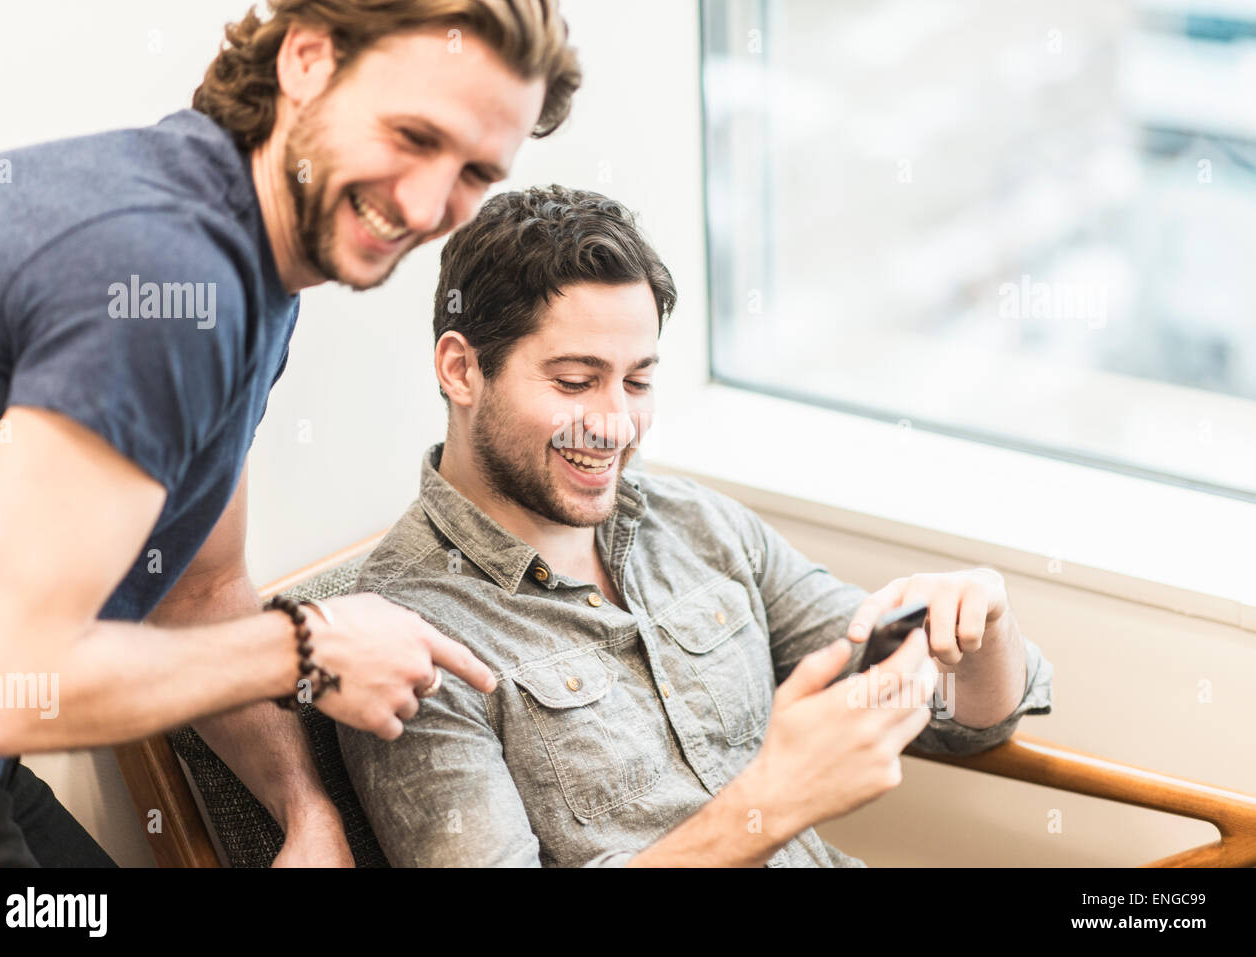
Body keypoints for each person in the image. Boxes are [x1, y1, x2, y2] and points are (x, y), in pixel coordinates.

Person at [0, 0, 581, 866]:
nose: (428, 202)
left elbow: (197, 591)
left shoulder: (250, 278)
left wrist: (304, 808)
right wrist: (308, 647)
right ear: (308, 61)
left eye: (476, 170)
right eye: (412, 133)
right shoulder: (171, 277)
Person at [337, 185, 1055, 866]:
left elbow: (967, 721)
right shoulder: (404, 635)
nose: (617, 424)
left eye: (639, 380)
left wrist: (983, 616)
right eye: (575, 382)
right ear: (461, 370)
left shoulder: (695, 524)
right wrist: (769, 805)